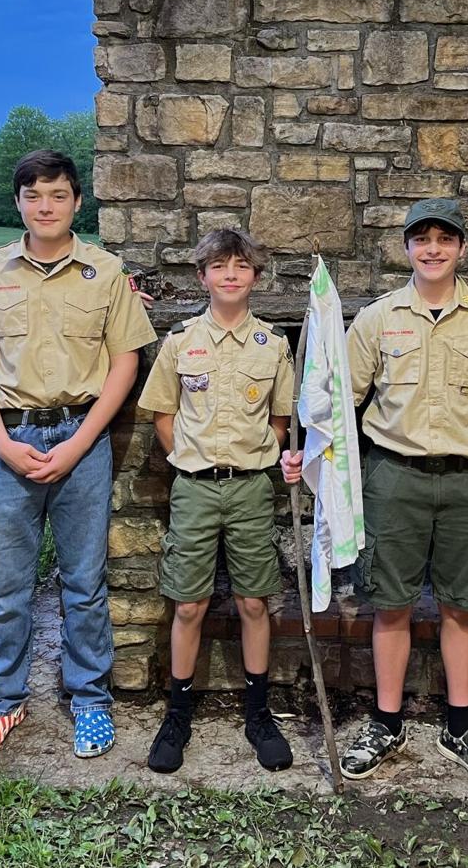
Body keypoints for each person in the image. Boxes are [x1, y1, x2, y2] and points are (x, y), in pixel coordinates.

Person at [283, 198, 468, 785]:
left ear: (460, 248)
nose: (432, 249)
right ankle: (387, 721)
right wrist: (309, 449)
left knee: (462, 606)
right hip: (393, 478)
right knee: (391, 604)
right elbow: (339, 405)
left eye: (444, 239)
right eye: (421, 239)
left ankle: (460, 725)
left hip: (467, 480)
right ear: (405, 248)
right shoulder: (378, 318)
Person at [0, 150, 155, 760]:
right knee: (7, 582)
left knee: (84, 581)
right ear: (18, 203)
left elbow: (125, 360)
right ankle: (1, 701)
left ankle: (88, 698)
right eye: (34, 196)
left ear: (76, 202)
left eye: (57, 195)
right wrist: (0, 441)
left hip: (80, 439)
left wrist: (81, 441)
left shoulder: (106, 272)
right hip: (8, 439)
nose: (45, 206)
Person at [139, 229, 295, 774]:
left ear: (256, 276)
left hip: (251, 486)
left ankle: (258, 712)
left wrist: (261, 453)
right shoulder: (180, 341)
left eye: (241, 267)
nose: (230, 275)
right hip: (195, 487)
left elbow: (279, 418)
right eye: (219, 267)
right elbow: (162, 411)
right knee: (188, 602)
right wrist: (185, 454)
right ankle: (177, 714)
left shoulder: (273, 345)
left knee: (255, 602)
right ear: (202, 276)